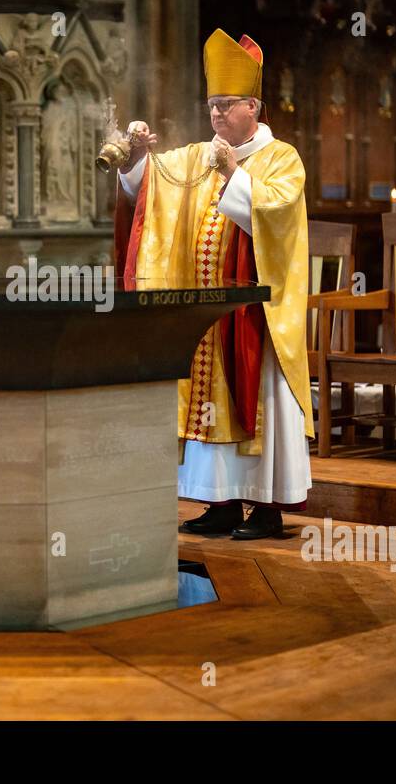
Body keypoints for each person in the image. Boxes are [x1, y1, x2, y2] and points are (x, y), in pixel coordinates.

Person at [114, 29, 313, 540]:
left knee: (259, 405)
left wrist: (234, 175)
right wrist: (135, 155)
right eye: (211, 106)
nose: (217, 116)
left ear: (254, 106)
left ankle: (266, 510)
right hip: (207, 315)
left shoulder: (282, 158)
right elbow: (148, 188)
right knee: (208, 405)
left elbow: (276, 217)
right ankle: (221, 503)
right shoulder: (200, 154)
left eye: (226, 105)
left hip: (257, 315)